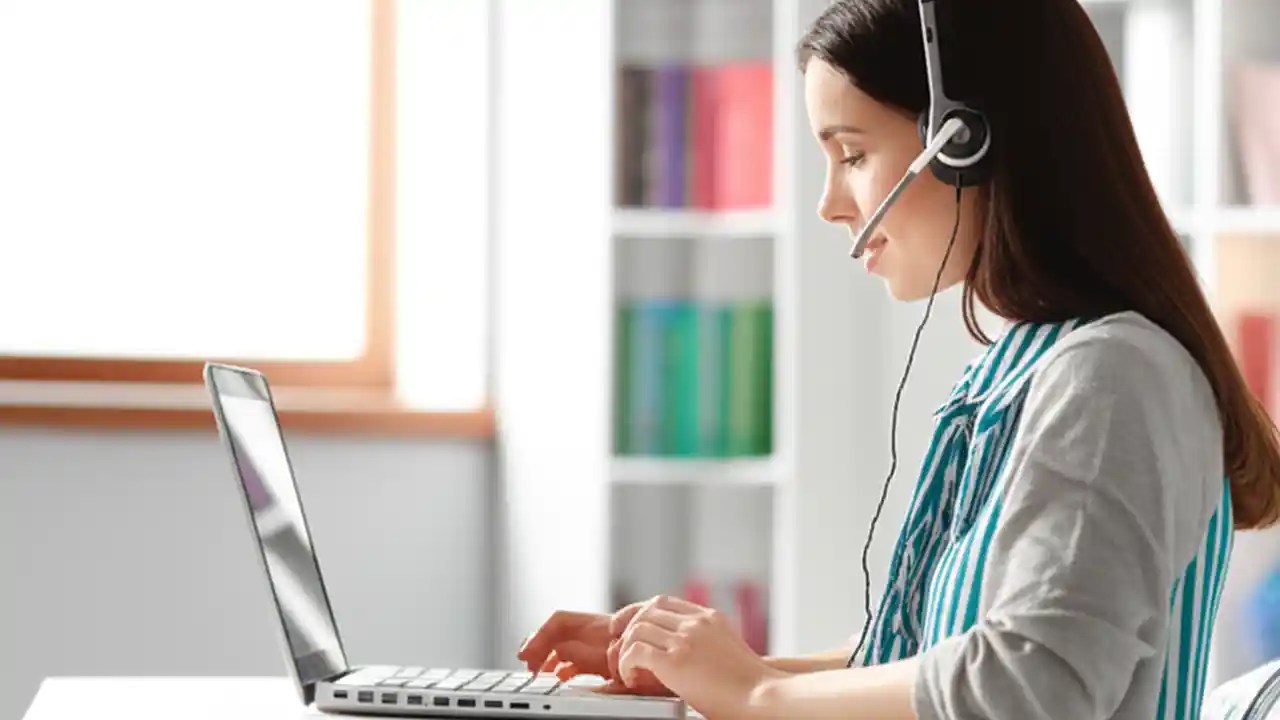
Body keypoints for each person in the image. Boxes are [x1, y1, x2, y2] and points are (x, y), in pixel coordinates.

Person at [516, 0, 1280, 718]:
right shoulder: (1032, 367)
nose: (830, 203)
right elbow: (930, 662)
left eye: (851, 153)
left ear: (964, 143)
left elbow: (1031, 680)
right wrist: (708, 670)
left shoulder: (1112, 377)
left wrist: (757, 697)